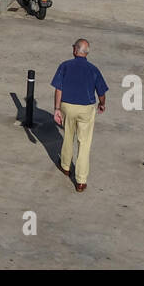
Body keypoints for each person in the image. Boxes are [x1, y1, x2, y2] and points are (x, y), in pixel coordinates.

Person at [51, 39, 108, 193]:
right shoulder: (93, 69)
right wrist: (102, 104)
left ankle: (65, 166)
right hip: (86, 109)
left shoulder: (65, 66)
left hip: (67, 107)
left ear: (75, 50)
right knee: (84, 144)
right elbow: (101, 92)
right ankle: (81, 181)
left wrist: (57, 108)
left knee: (68, 136)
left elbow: (58, 89)